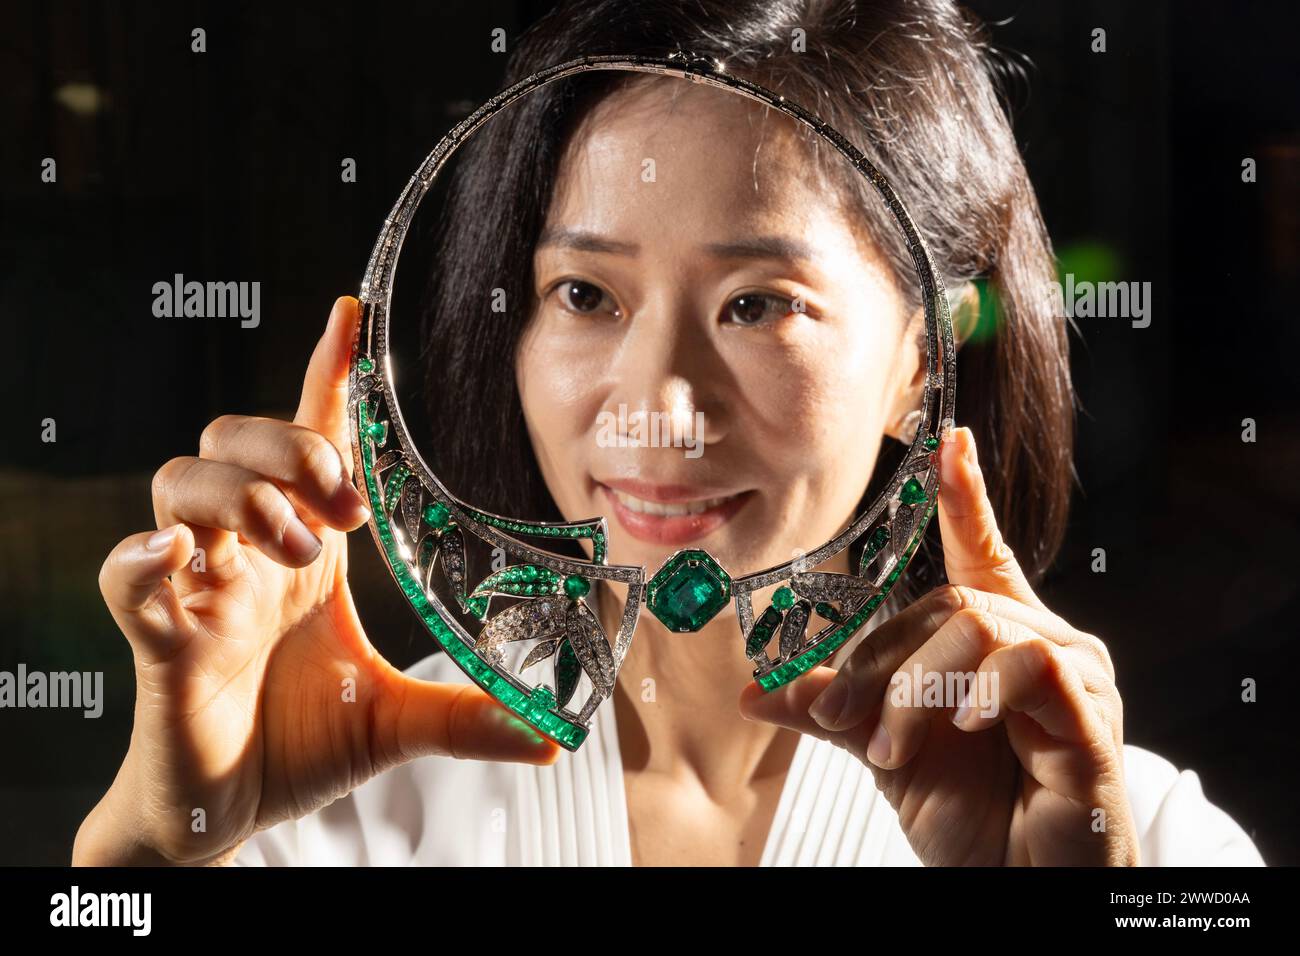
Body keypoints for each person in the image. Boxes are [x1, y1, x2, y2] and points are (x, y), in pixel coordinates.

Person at [75, 0, 1263, 866]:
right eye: (585, 296)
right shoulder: (321, 808)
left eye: (757, 305)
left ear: (922, 360)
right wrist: (155, 848)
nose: (655, 403)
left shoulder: (1131, 837)